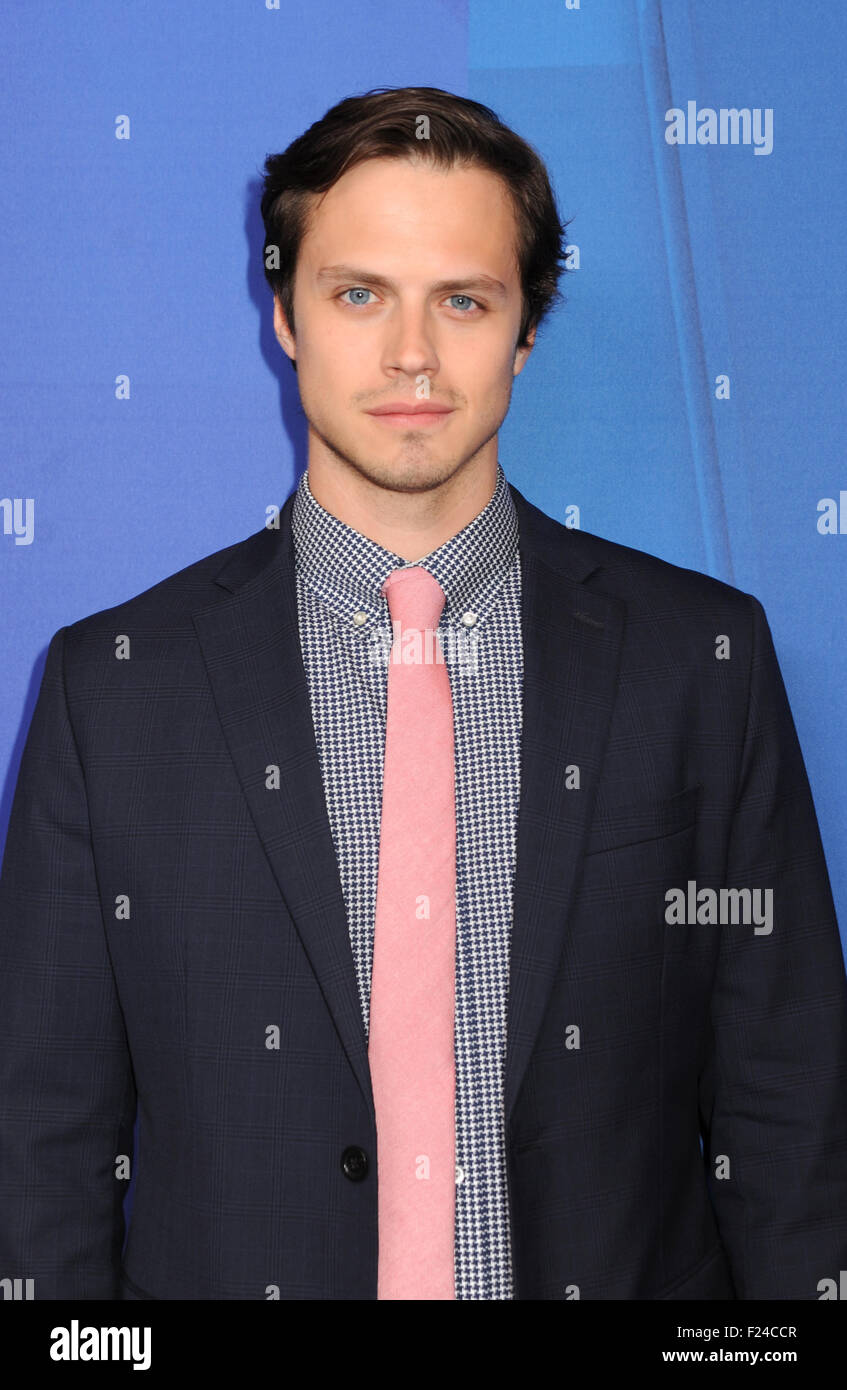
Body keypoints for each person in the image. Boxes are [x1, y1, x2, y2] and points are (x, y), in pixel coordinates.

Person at [1, 85, 846, 1302]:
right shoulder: (113, 690)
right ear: (284, 313)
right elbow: (43, 1148)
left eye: (463, 298)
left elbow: (789, 1112)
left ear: (526, 328)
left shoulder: (700, 661)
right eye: (359, 295)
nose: (412, 354)